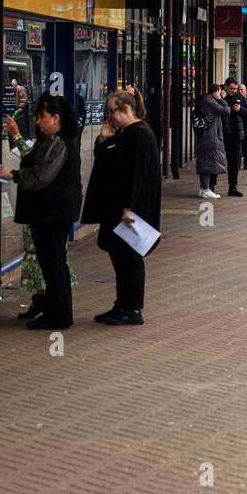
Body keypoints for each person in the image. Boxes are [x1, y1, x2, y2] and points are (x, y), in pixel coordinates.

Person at [0, 93, 81, 330]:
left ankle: (59, 315)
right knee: (51, 264)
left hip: (53, 213)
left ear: (56, 118)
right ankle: (54, 311)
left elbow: (42, 176)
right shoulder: (51, 140)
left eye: (42, 117)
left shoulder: (59, 142)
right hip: (49, 213)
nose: (38, 122)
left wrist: (12, 175)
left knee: (54, 264)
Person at [80, 90, 161, 326]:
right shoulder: (126, 133)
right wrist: (104, 139)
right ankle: (123, 304)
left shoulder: (141, 135)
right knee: (120, 256)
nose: (110, 116)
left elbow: (139, 174)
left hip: (130, 212)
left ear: (125, 109)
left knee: (130, 259)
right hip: (117, 208)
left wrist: (130, 207)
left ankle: (132, 308)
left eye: (112, 111)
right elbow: (105, 159)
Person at [195, 83, 228, 198]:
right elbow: (226, 110)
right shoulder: (210, 101)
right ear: (216, 91)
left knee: (205, 159)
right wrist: (221, 99)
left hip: (207, 134)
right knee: (208, 161)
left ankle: (203, 188)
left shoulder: (205, 100)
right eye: (219, 91)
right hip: (210, 135)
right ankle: (206, 189)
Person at [220, 78, 247, 196]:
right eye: (231, 88)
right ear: (225, 86)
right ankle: (210, 186)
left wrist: (241, 110)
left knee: (234, 162)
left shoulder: (239, 98)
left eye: (235, 89)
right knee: (217, 161)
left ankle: (233, 187)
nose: (233, 91)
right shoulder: (219, 96)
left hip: (236, 136)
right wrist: (221, 98)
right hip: (221, 135)